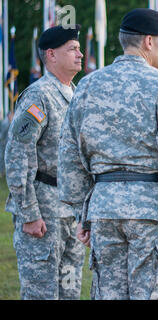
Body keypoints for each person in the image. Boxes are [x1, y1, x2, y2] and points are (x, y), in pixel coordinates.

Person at [57, 8, 158, 300]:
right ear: (149, 41)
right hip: (150, 212)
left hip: (104, 209)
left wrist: (81, 214)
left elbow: (69, 153)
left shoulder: (87, 85)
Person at [4, 25, 85, 299]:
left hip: (71, 212)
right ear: (51, 55)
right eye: (72, 49)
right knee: (42, 293)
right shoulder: (38, 96)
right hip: (44, 212)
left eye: (78, 48)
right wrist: (28, 214)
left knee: (70, 290)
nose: (80, 54)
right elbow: (17, 155)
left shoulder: (75, 94)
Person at [0, 112, 13, 177]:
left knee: (8, 158)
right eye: (11, 115)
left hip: (8, 143)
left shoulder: (10, 121)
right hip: (4, 143)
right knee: (2, 157)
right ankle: (1, 172)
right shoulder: (5, 123)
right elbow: (2, 135)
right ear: (8, 115)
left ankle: (6, 172)